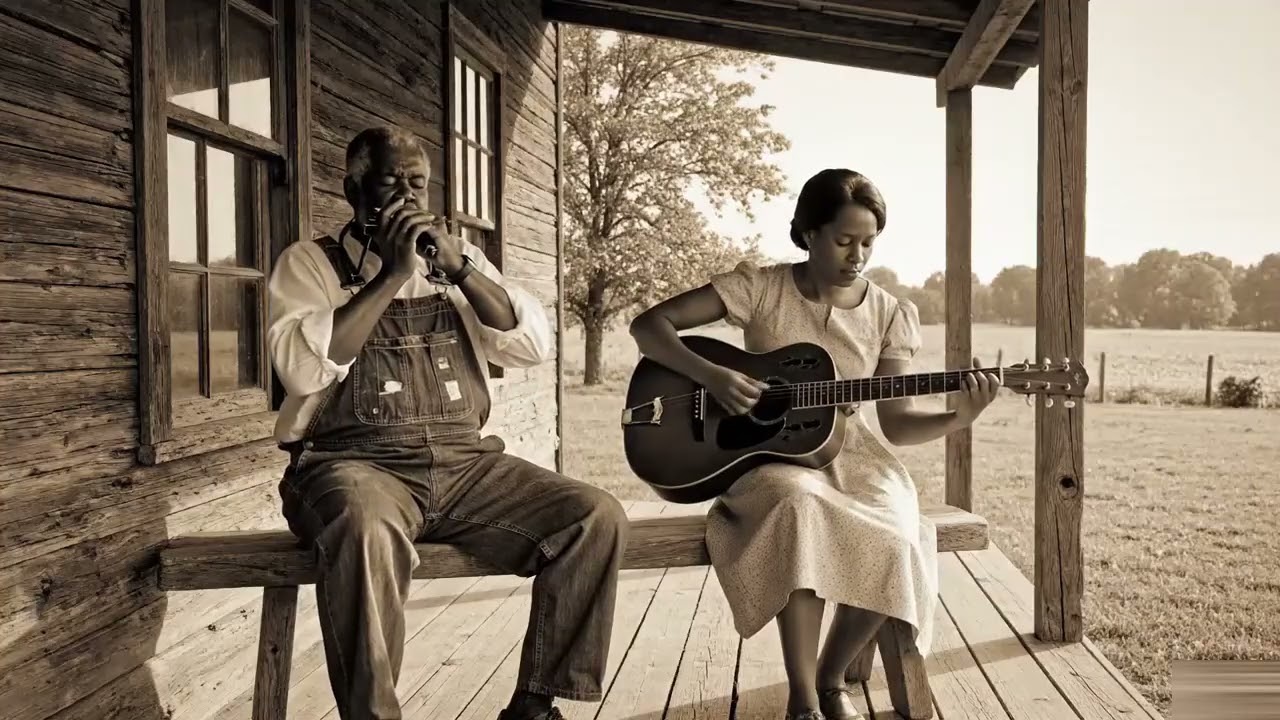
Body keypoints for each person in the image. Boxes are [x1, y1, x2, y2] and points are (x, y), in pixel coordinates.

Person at [267, 125, 629, 720]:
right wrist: (390, 274)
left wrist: (462, 270)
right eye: (389, 183)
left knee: (594, 516)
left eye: (417, 184)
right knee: (363, 527)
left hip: (465, 467)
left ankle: (534, 707)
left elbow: (530, 346)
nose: (406, 197)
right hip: (351, 467)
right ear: (352, 190)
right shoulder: (310, 264)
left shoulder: (462, 263)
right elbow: (302, 371)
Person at [628, 168, 1001, 720]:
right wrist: (711, 375)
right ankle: (802, 701)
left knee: (900, 537)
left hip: (857, 458)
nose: (858, 256)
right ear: (809, 233)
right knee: (801, 511)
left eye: (869, 242)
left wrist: (959, 415)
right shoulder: (761, 288)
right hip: (769, 457)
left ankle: (831, 678)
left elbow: (897, 424)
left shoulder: (889, 313)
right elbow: (648, 326)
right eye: (845, 240)